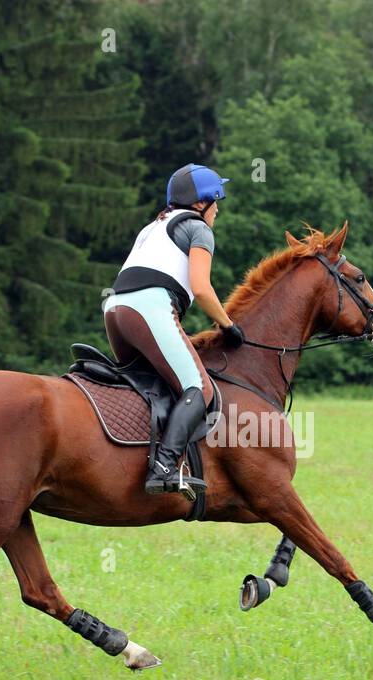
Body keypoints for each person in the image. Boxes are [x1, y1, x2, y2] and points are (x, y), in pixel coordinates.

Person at [104, 163, 245, 498]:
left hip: (114, 310)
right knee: (199, 387)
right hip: (148, 308)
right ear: (201, 203)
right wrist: (228, 325)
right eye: (217, 200)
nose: (218, 209)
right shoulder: (199, 229)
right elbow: (200, 288)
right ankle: (164, 466)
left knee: (153, 386)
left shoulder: (153, 226)